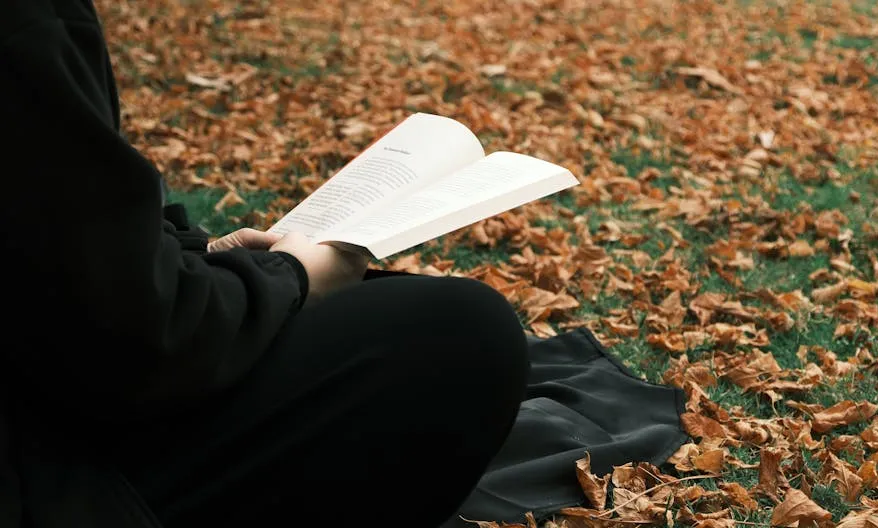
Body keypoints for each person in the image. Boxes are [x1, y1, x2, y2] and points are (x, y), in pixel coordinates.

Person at [0, 1, 530, 527]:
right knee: (463, 333)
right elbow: (127, 340)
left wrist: (192, 256)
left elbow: (49, 256)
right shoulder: (24, 26)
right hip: (50, 471)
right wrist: (289, 278)